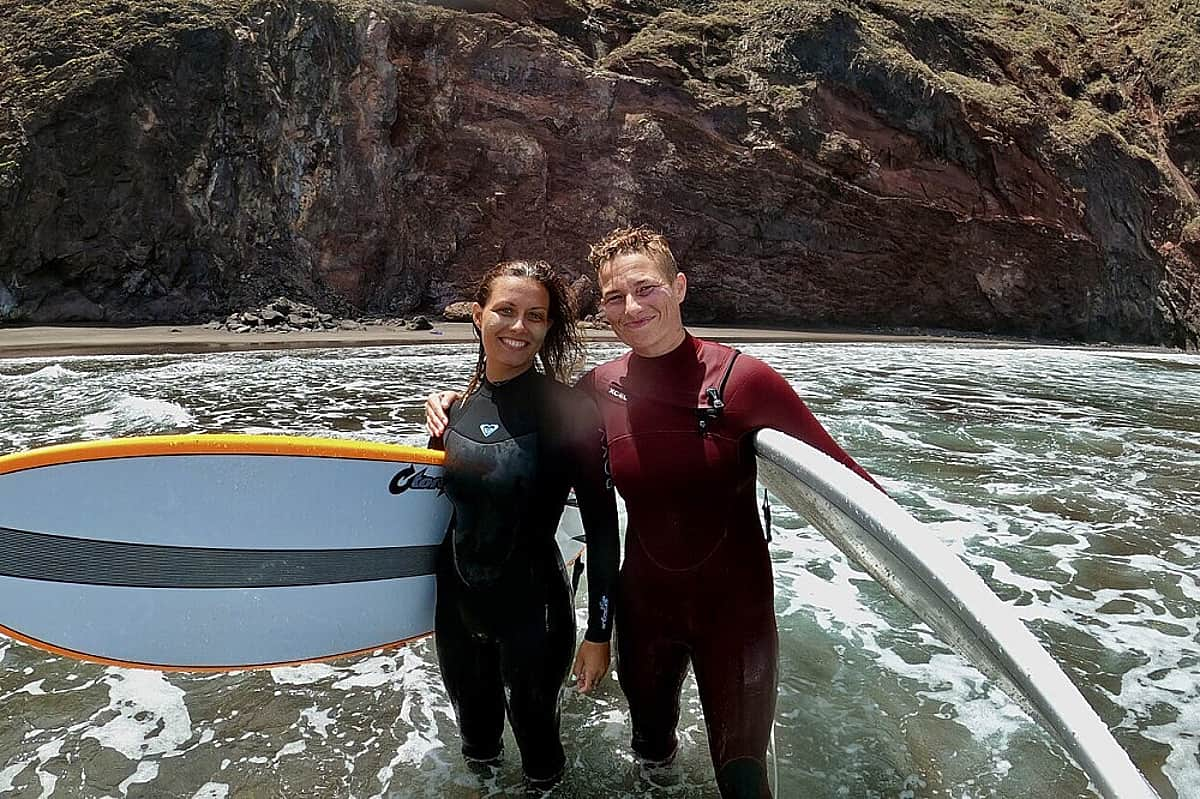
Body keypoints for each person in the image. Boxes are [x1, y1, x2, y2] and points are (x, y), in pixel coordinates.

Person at [427, 229, 881, 798]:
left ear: (679, 287)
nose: (632, 307)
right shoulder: (601, 386)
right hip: (645, 614)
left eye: (647, 289)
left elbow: (850, 486)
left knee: (741, 780)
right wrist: (447, 400)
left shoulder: (744, 380)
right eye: (615, 297)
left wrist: (928, 582)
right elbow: (507, 425)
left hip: (733, 615)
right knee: (650, 764)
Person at [427, 259, 619, 789]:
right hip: (457, 611)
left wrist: (599, 633)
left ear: (549, 326)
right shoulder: (454, 409)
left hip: (535, 612)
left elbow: (604, 528)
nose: (518, 326)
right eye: (505, 311)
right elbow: (433, 513)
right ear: (477, 315)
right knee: (477, 750)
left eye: (535, 316)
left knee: (540, 755)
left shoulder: (570, 410)